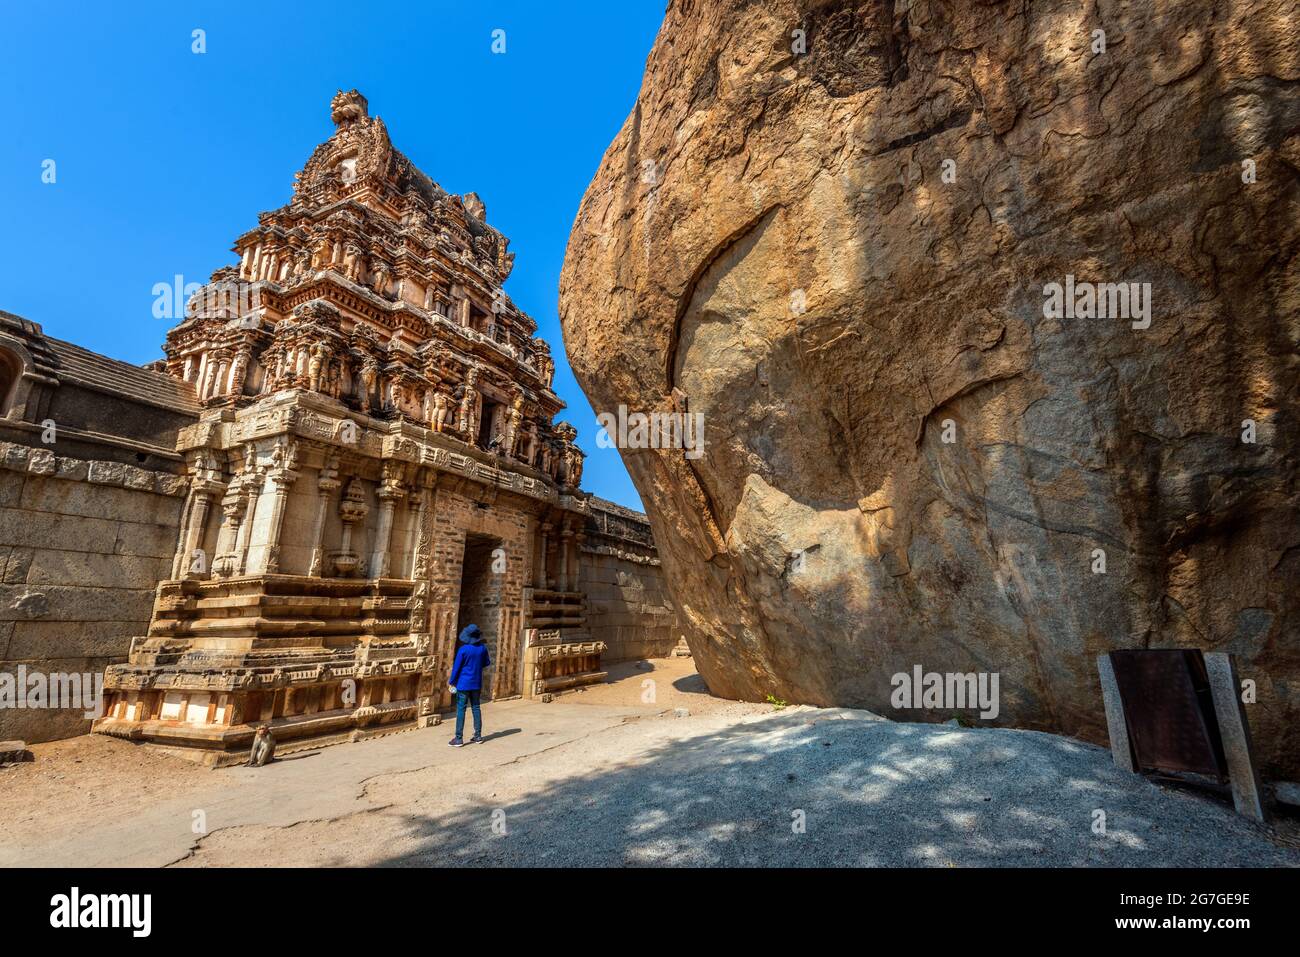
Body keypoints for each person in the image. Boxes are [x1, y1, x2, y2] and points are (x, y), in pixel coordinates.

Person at [448, 623, 490, 746]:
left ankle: (458, 738)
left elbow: (456, 668)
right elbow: (486, 663)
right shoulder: (482, 648)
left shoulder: (463, 650)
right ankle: (478, 736)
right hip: (476, 683)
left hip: (463, 684)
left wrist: (452, 682)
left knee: (461, 709)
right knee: (476, 708)